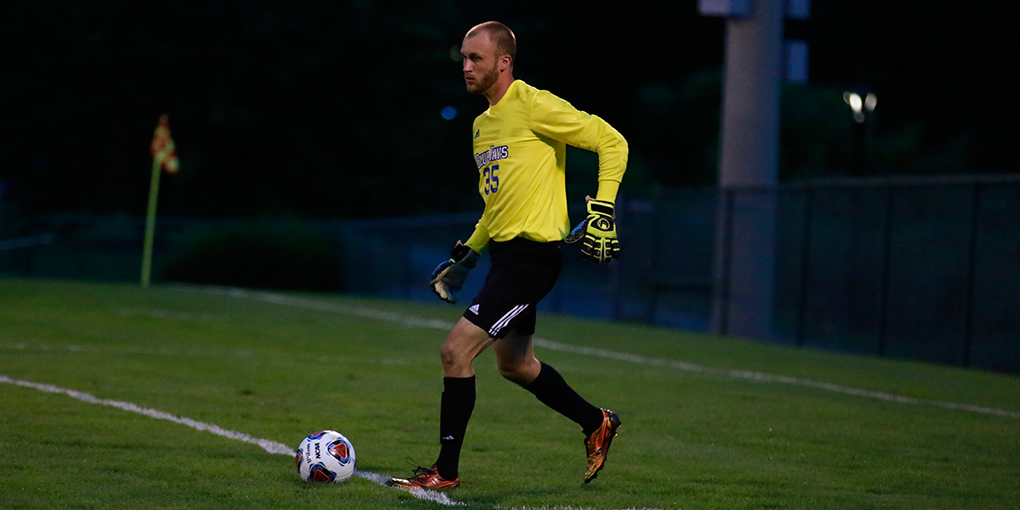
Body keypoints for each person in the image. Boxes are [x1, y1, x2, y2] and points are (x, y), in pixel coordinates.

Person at [387, 21, 628, 489]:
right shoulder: (481, 125)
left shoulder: (534, 104)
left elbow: (611, 141)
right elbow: (496, 205)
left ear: (504, 62)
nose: (466, 66)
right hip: (506, 258)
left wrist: (603, 208)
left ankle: (445, 473)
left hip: (532, 259)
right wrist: (468, 254)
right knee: (514, 365)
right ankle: (596, 421)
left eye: (476, 58)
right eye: (463, 58)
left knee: (455, 351)